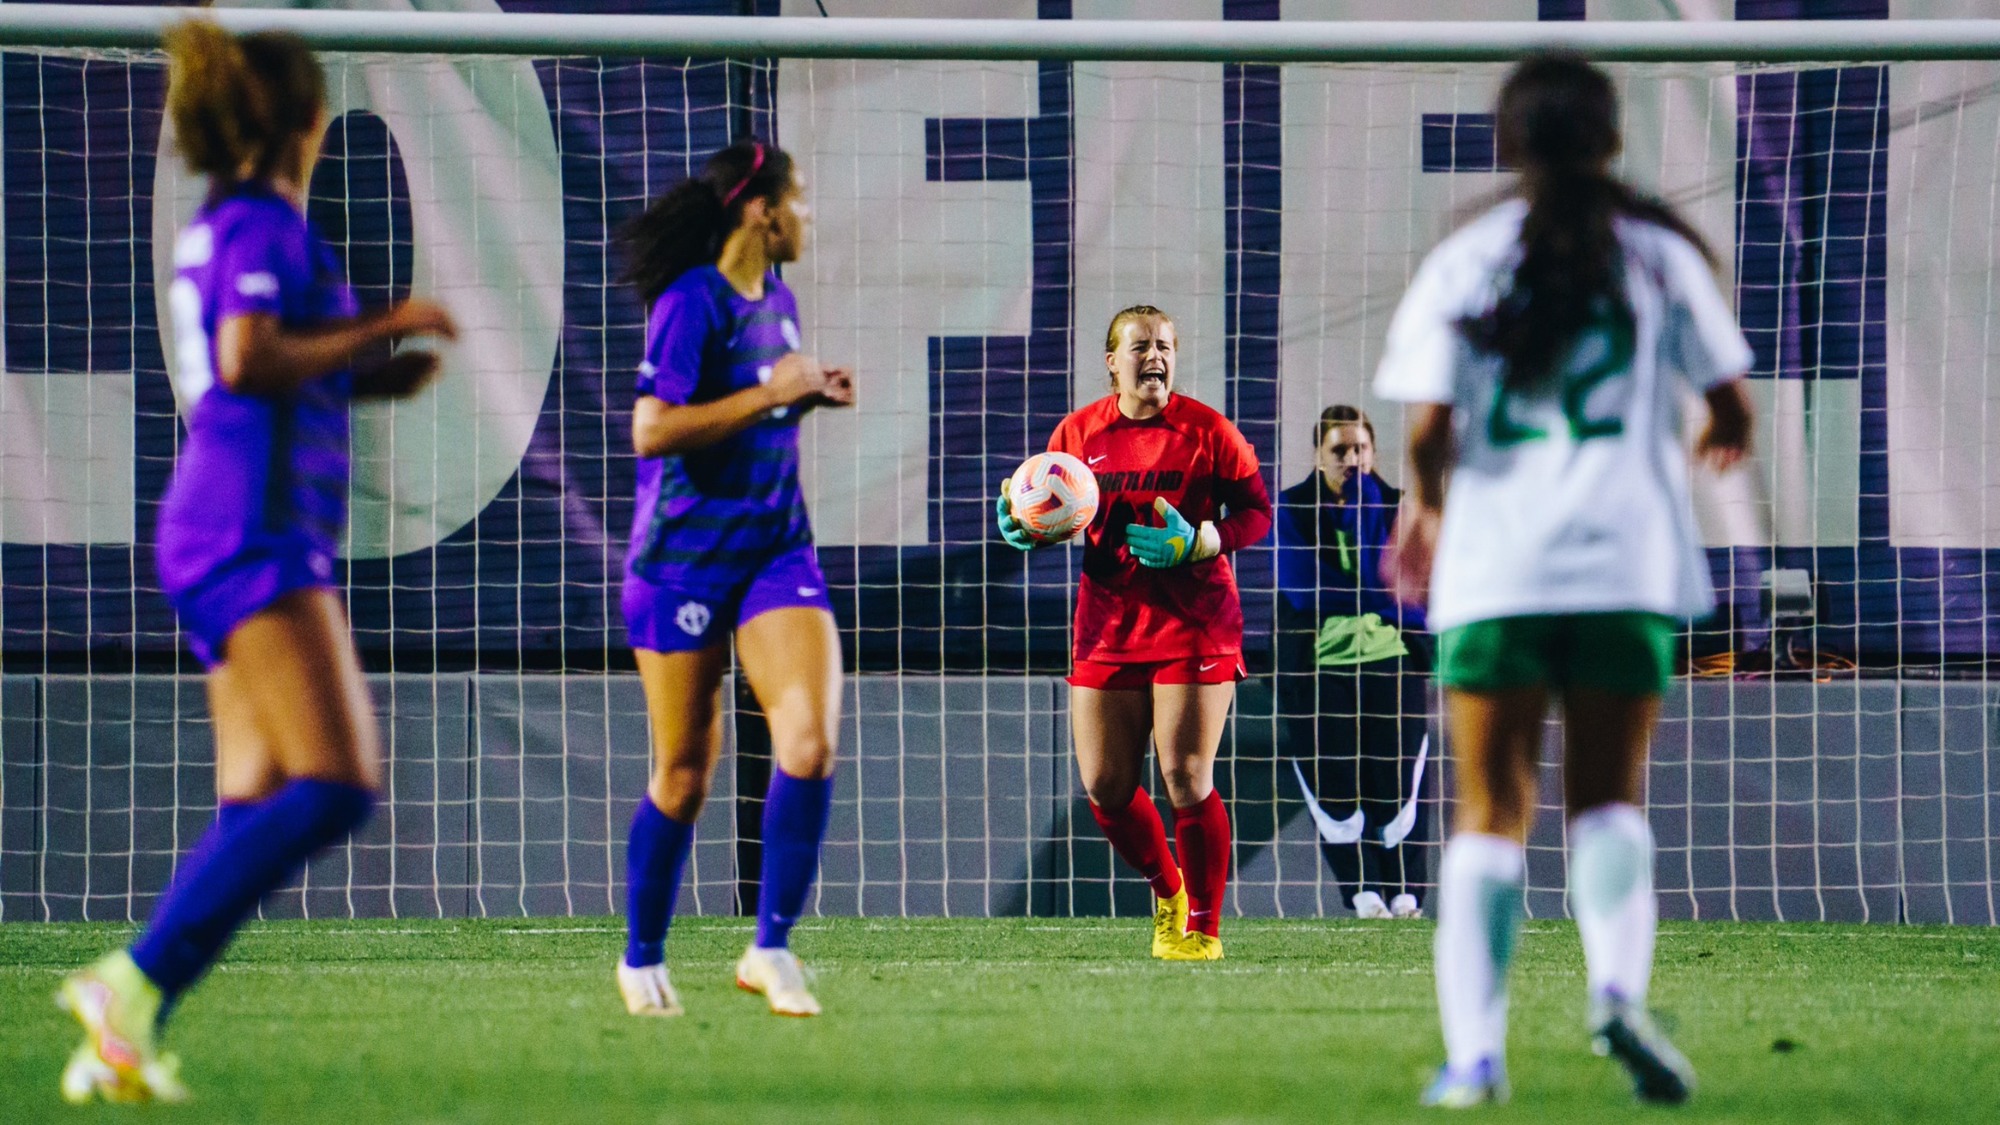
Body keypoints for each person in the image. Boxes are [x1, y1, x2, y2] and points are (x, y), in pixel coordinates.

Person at [56, 20, 458, 1104]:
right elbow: (248, 358)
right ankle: (129, 980)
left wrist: (371, 379)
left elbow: (262, 371)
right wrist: (381, 328)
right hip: (252, 527)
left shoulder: (229, 224)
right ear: (305, 119)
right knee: (333, 786)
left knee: (256, 795)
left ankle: (124, 1033)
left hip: (224, 519)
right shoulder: (265, 226)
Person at [1376, 54, 1753, 1108]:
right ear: (1612, 141)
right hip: (1625, 564)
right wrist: (1708, 434)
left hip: (1499, 567)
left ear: (1506, 145)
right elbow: (1731, 408)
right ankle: (1617, 992)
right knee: (1607, 802)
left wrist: (1425, 510)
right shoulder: (1660, 257)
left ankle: (1473, 1059)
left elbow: (1428, 427)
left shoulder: (1467, 257)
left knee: (1489, 810)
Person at [615, 138, 854, 1019]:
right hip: (681, 563)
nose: (808, 216)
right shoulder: (690, 303)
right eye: (799, 198)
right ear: (761, 210)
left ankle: (771, 946)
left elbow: (765, 396)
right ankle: (641, 957)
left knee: (809, 744)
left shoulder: (779, 299)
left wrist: (806, 391)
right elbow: (652, 430)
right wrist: (767, 394)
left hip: (774, 552)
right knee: (684, 775)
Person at [998, 305, 1272, 960]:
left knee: (1184, 772)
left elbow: (1258, 512)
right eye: (1142, 346)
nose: (1156, 357)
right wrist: (1021, 525)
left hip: (1195, 620)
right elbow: (1037, 500)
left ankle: (1201, 929)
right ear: (1111, 359)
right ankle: (1167, 888)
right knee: (1106, 786)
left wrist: (1207, 539)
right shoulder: (1079, 430)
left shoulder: (1208, 430)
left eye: (1167, 346)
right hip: (1108, 623)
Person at [1274, 405, 1431, 920]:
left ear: (1375, 453)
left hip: (1393, 662)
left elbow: (1415, 596)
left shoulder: (1398, 506)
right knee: (1337, 784)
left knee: (1398, 781)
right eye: (1339, 450)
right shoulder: (1293, 507)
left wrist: (1365, 508)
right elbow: (1302, 590)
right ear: (1318, 457)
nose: (1351, 458)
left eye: (1360, 448)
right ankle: (1360, 892)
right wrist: (1379, 594)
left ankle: (1405, 891)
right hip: (1320, 666)